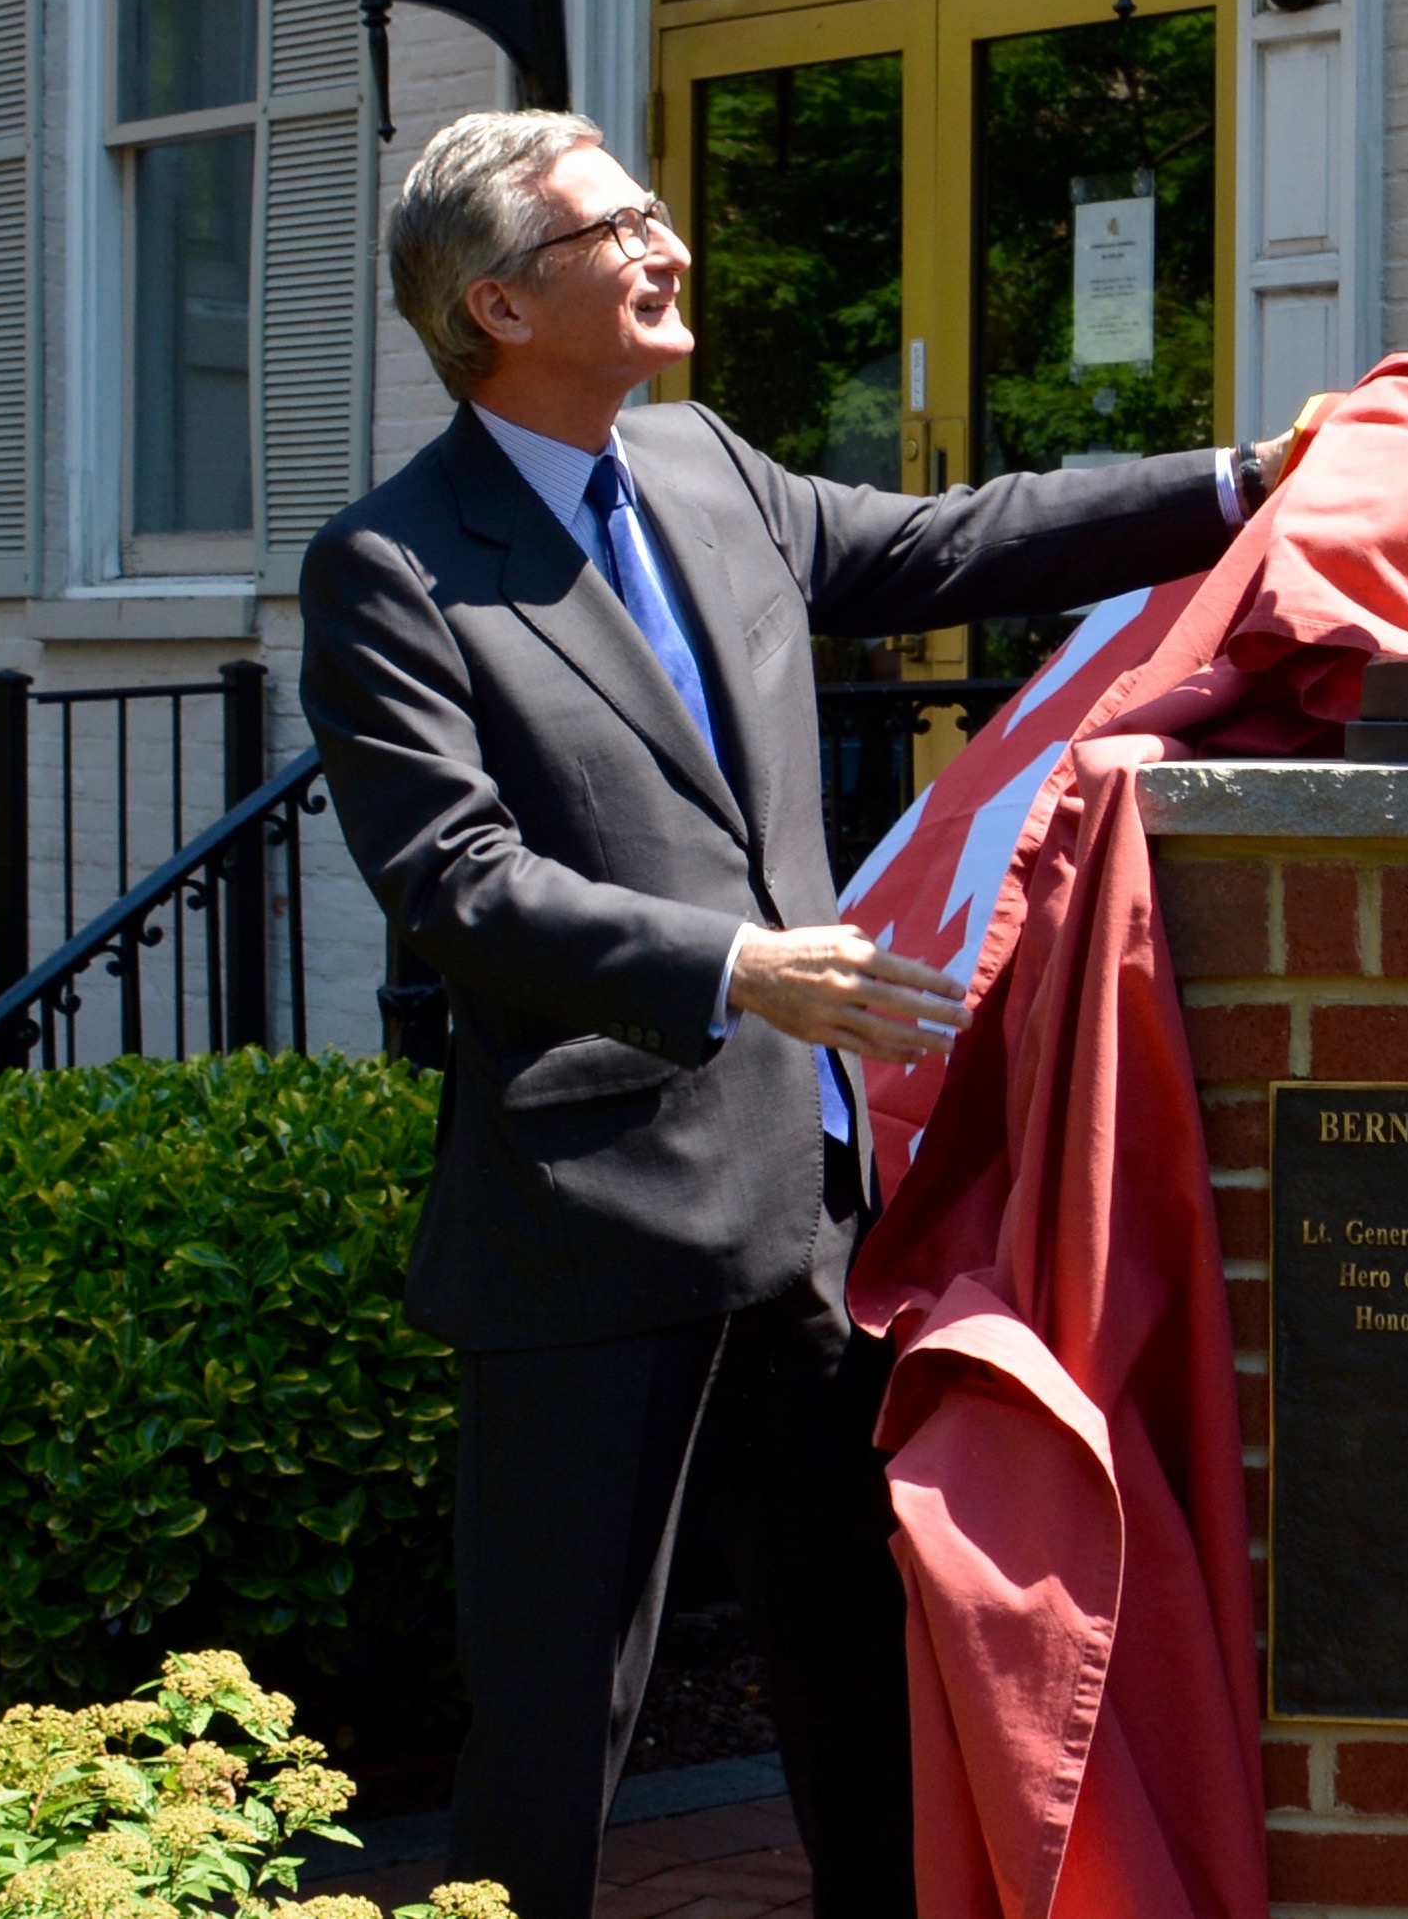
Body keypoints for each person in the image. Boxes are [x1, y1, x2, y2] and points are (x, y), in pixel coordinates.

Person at [298, 109, 1298, 1919]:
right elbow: (453, 878)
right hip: (590, 1231)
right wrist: (736, 965)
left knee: (860, 1687)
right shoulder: (390, 568)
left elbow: (947, 543)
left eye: (651, 212)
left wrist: (1239, 479)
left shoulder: (704, 469)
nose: (663, 243)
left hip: (811, 1210)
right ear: (498, 302)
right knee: (558, 1728)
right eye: (617, 227)